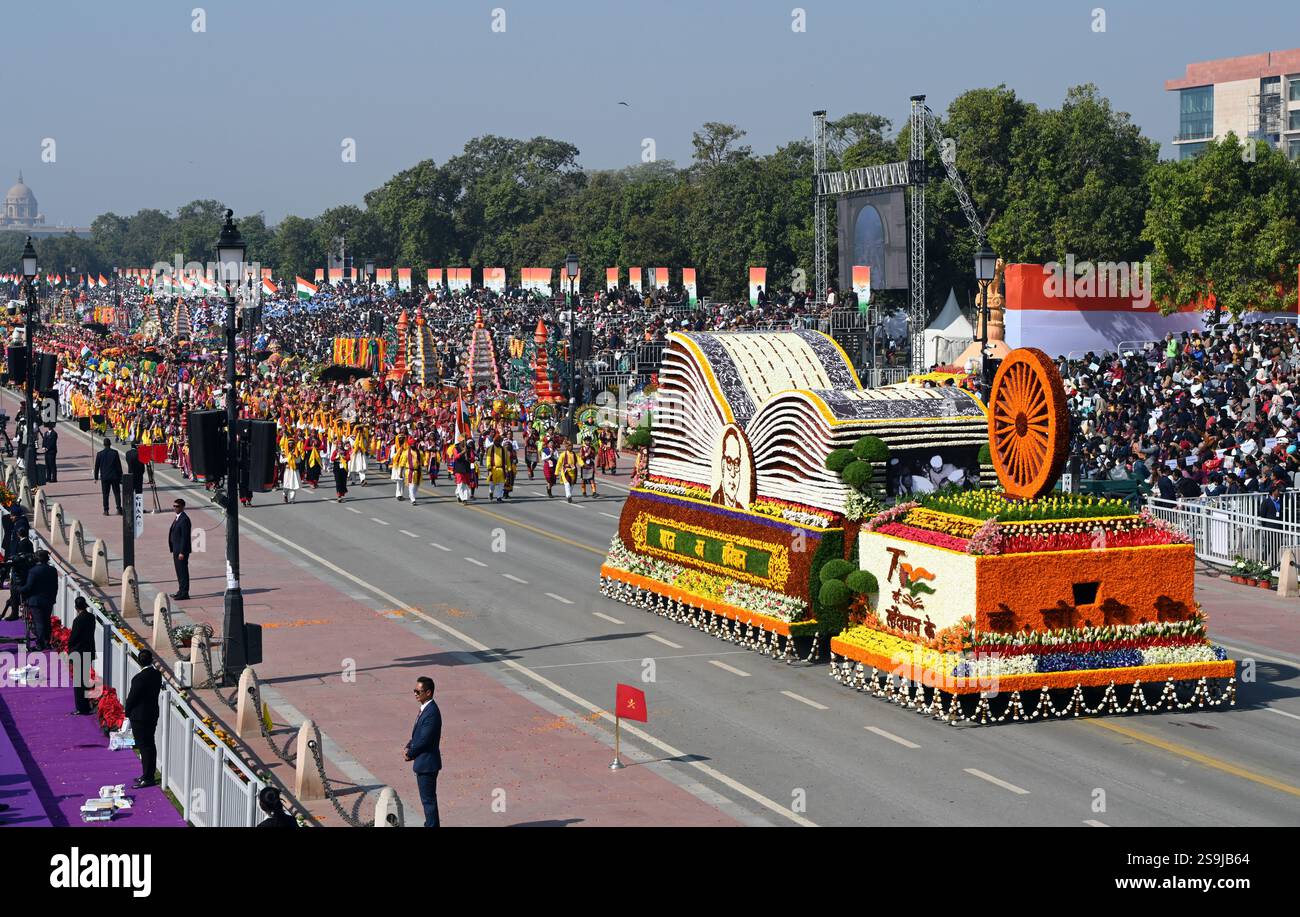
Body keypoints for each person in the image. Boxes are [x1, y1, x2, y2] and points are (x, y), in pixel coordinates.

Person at [404, 676, 442, 828]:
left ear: (428, 692)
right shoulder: (425, 709)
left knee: (428, 801)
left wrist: (410, 753)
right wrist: (409, 745)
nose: (415, 694)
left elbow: (424, 740)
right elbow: (418, 734)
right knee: (428, 800)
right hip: (424, 762)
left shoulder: (431, 712)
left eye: (418, 691)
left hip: (427, 764)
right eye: (414, 691)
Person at [124, 650, 162, 789]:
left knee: (144, 747)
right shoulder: (157, 674)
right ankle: (148, 774)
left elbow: (132, 698)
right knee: (150, 745)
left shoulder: (139, 678)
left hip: (140, 717)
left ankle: (148, 777)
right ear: (151, 660)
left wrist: (127, 712)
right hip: (152, 714)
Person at [21, 549, 57, 651]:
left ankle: (40, 644)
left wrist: (18, 588)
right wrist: (53, 598)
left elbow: (28, 587)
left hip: (35, 601)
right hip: (48, 600)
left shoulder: (33, 571)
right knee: (46, 622)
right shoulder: (52, 570)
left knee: (39, 623)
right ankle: (46, 642)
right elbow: (55, 586)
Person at [68, 596, 96, 715]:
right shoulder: (91, 617)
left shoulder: (78, 620)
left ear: (76, 607)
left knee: (79, 683)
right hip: (88, 651)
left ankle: (81, 707)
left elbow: (73, 638)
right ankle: (87, 705)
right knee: (85, 680)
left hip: (78, 652)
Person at [168, 498, 192, 600]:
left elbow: (185, 537)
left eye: (177, 506)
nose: (175, 508)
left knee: (183, 571)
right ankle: (180, 590)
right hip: (176, 549)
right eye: (174, 506)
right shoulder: (178, 517)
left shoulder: (184, 519)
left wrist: (182, 552)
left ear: (182, 507)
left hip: (181, 551)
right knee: (179, 571)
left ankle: (184, 593)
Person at [93, 437, 123, 515]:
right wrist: (121, 476)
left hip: (105, 477)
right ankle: (119, 509)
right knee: (117, 493)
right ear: (110, 444)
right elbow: (118, 466)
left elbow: (97, 467)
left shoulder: (99, 454)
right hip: (114, 476)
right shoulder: (115, 453)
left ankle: (106, 510)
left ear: (104, 444)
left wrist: (96, 477)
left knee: (105, 494)